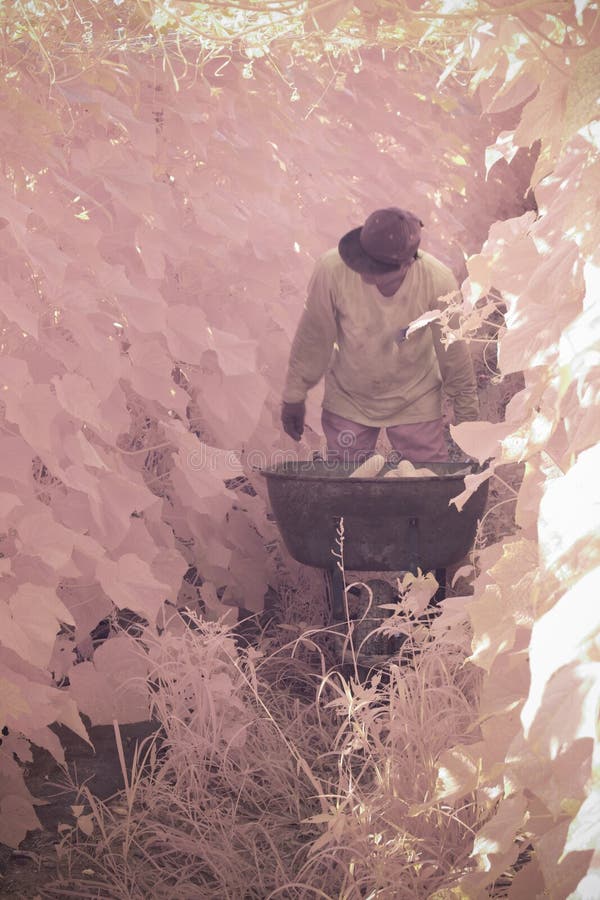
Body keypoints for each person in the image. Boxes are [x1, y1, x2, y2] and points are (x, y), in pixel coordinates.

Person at [281, 207, 478, 463]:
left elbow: (454, 355)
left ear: (408, 262)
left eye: (377, 268)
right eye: (363, 260)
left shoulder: (438, 280)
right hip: (348, 397)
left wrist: (471, 431)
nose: (365, 271)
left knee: (426, 483)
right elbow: (314, 336)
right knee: (347, 486)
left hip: (415, 396)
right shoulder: (331, 270)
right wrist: (294, 395)